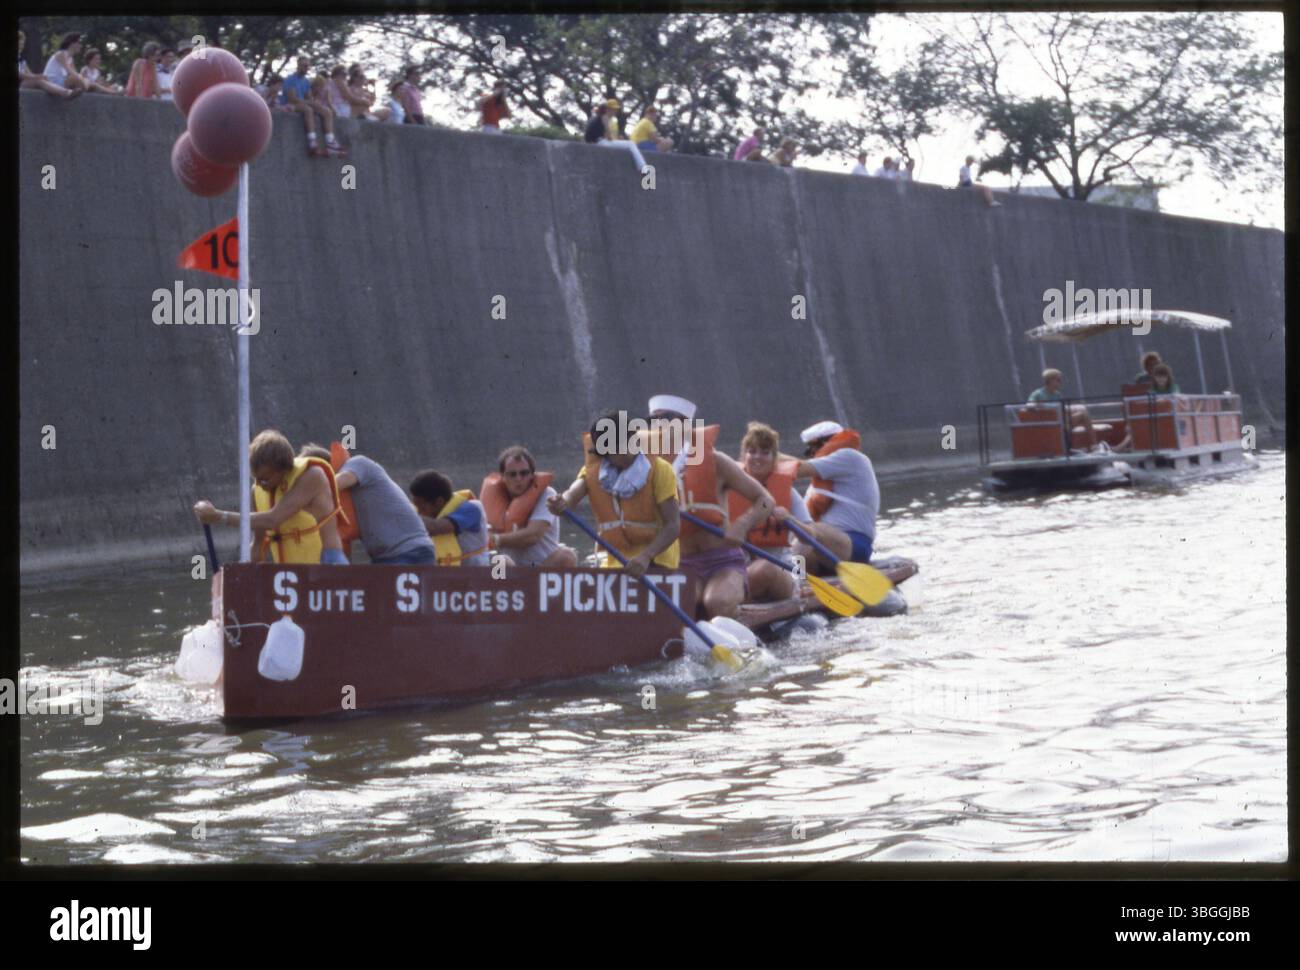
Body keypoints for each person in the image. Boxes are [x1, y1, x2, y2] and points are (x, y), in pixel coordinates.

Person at [642, 395, 774, 620]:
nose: (656, 427)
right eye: (652, 422)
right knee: (678, 607)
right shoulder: (646, 468)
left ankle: (741, 615)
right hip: (681, 563)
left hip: (723, 561)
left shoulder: (716, 461)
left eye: (663, 419)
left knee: (717, 603)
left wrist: (742, 525)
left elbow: (765, 500)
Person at [547, 409, 681, 578]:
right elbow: (572, 494)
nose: (613, 456)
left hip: (657, 561)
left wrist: (645, 557)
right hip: (616, 561)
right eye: (607, 451)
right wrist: (560, 502)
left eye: (617, 447)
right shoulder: (595, 471)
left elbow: (673, 525)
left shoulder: (661, 470)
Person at [192, 429, 348, 564]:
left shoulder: (312, 476)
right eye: (255, 478)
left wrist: (219, 516)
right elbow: (258, 543)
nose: (259, 484)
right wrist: (249, 572)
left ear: (283, 469)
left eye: (265, 478)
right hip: (290, 575)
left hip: (328, 561)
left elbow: (273, 519)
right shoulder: (257, 490)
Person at [300, 444, 437, 565]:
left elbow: (337, 482)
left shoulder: (358, 464)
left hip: (410, 550)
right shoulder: (336, 500)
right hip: (385, 559)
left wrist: (296, 499)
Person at [783, 420, 880, 574]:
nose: (813, 455)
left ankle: (797, 582)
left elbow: (795, 469)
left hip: (854, 545)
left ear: (827, 443)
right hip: (825, 550)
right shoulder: (818, 484)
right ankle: (796, 581)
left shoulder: (850, 457)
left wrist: (761, 455)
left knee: (806, 532)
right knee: (789, 543)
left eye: (813, 450)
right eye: (810, 453)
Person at [731, 422, 813, 603]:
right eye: (752, 451)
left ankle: (796, 587)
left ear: (775, 458)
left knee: (763, 569)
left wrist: (790, 518)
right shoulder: (727, 489)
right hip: (738, 569)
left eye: (765, 452)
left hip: (780, 568)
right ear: (744, 456)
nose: (757, 457)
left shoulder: (787, 492)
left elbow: (811, 538)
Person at [480, 446, 577, 567]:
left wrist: (496, 539)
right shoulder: (494, 498)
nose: (518, 478)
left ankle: (533, 584)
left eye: (524, 473)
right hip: (512, 569)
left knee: (566, 556)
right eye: (512, 474)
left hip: (543, 569)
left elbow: (533, 536)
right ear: (503, 477)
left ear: (532, 475)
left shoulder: (547, 494)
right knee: (498, 561)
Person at [409, 471, 491, 567]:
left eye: (422, 508)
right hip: (445, 576)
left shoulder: (471, 509)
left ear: (439, 502)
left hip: (477, 575)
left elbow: (437, 528)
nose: (418, 513)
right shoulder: (426, 516)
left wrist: (405, 518)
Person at [282, 56, 344, 157]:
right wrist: (310, 103)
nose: (306, 68)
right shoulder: (290, 79)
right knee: (308, 110)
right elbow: (292, 98)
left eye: (307, 66)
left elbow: (308, 97)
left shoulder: (306, 81)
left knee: (326, 111)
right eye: (304, 66)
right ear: (298, 65)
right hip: (290, 104)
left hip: (303, 103)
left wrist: (315, 103)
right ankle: (312, 141)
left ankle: (330, 142)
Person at [1028, 369, 1100, 450]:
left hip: (1061, 423)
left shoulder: (1057, 394)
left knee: (1083, 415)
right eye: (1058, 380)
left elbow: (1063, 409)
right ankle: (1087, 446)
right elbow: (1029, 405)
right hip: (1048, 425)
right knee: (1083, 416)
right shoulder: (1038, 394)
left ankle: (1092, 445)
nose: (1060, 382)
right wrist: (1044, 406)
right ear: (1050, 380)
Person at [19, 31, 79, 98]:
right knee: (39, 81)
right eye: (19, 44)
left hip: (24, 83)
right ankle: (66, 92)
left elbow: (29, 74)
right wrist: (35, 77)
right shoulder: (61, 54)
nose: (21, 46)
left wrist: (38, 76)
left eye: (22, 44)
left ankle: (69, 91)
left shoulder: (22, 60)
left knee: (42, 79)